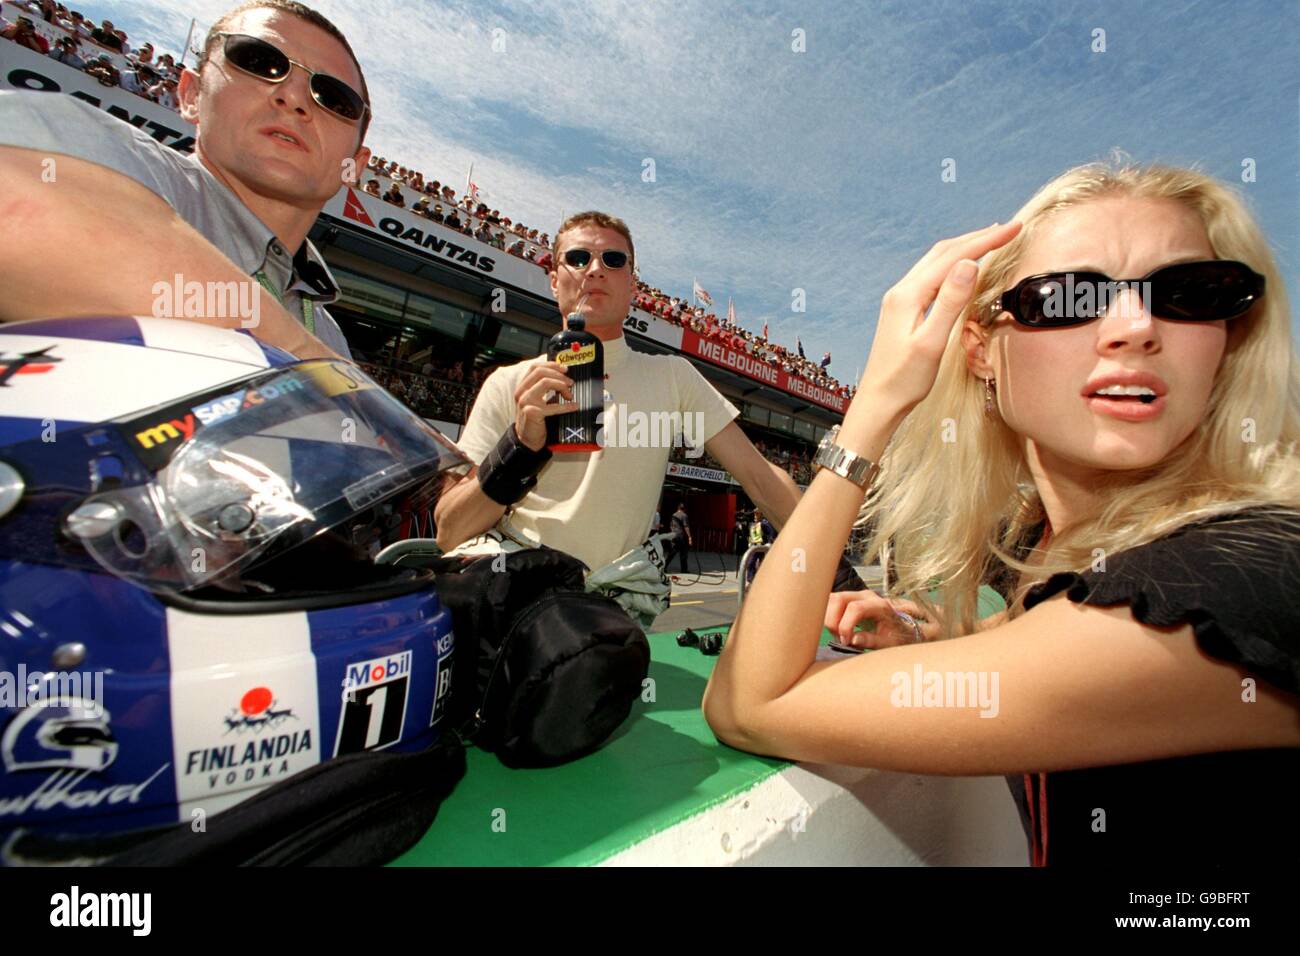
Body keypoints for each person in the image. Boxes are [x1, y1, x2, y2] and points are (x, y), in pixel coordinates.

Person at [703, 159, 1300, 865]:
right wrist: (939, 635)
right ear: (981, 350)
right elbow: (1052, 619)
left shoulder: (1231, 576)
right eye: (1073, 297)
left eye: (1191, 294)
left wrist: (873, 409)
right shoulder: (1049, 535)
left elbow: (752, 700)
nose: (1136, 327)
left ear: (1229, 341)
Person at [435, 211, 819, 608]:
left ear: (632, 284)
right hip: (514, 601)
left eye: (613, 260)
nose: (595, 269)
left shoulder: (673, 377)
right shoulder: (508, 383)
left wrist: (837, 572)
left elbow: (761, 478)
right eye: (578, 258)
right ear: (554, 280)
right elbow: (449, 530)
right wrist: (519, 447)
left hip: (610, 619)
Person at [0, 0, 371, 359]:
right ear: (191, 94)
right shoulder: (125, 164)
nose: (293, 97)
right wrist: (319, 372)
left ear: (354, 166)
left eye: (335, 99)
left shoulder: (327, 334)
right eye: (259, 62)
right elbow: (17, 203)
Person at [669, 502, 693, 575]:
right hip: (681, 536)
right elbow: (686, 527)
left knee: (672, 552)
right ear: (684, 509)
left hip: (674, 535)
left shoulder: (673, 515)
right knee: (684, 553)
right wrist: (689, 537)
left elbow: (671, 525)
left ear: (678, 508)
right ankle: (684, 569)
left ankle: (664, 566)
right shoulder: (684, 516)